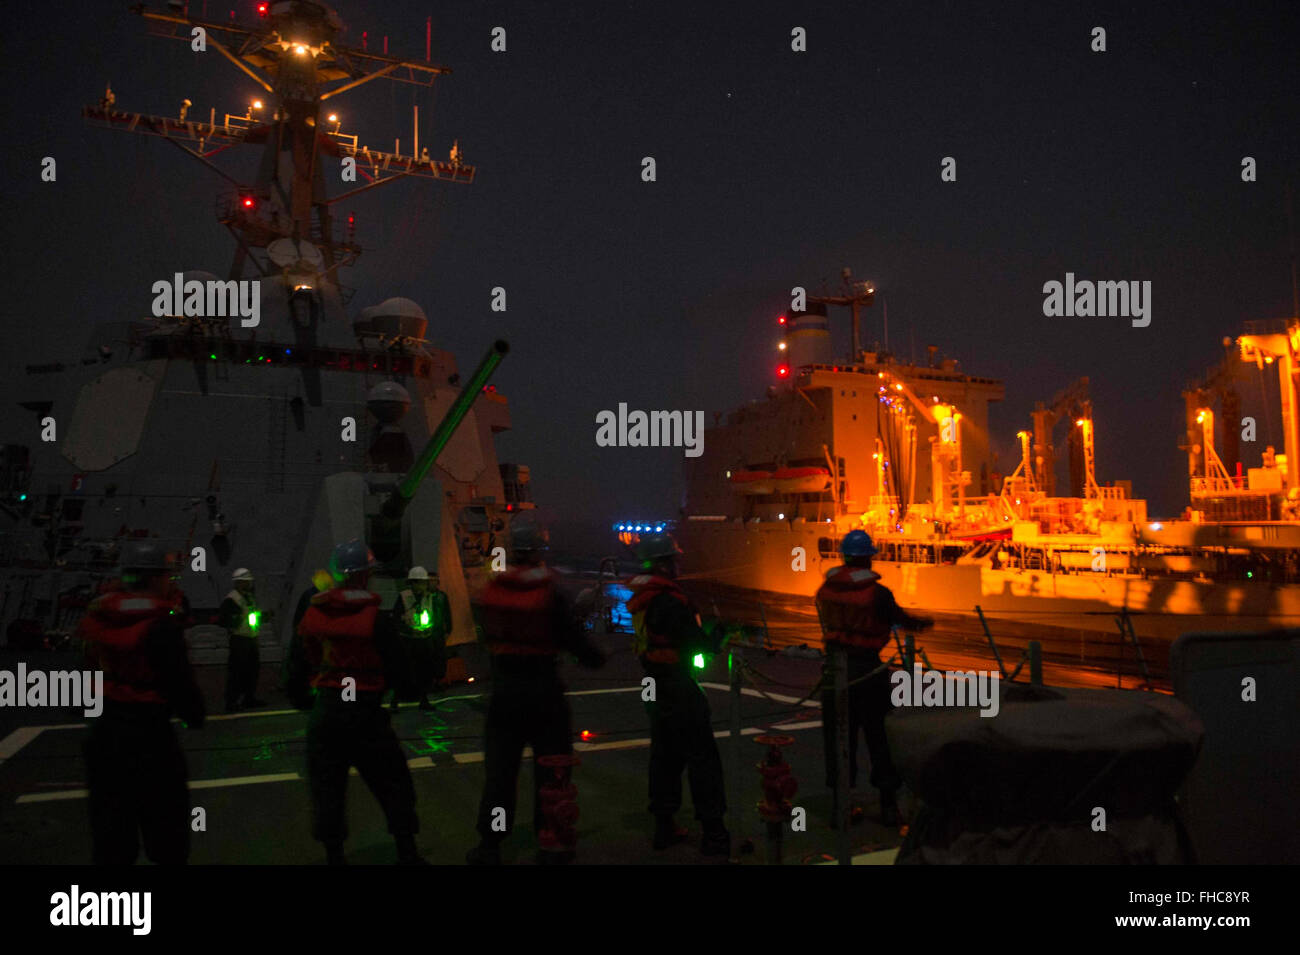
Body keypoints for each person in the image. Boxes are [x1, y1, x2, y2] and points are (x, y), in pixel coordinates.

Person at [466, 522, 604, 865]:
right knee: (552, 772)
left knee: (500, 774)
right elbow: (575, 642)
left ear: (511, 551)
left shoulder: (492, 591)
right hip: (543, 693)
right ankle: (551, 840)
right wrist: (595, 658)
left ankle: (491, 844)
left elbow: (487, 636)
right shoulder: (550, 593)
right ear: (539, 551)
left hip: (504, 694)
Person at [286, 539, 425, 865]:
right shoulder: (375, 619)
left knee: (327, 791)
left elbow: (296, 666)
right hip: (366, 715)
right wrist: (404, 692)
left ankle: (335, 857)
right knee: (394, 785)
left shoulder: (314, 611)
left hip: (328, 712)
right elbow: (400, 671)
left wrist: (307, 699)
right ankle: (407, 853)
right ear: (367, 575)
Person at [78, 539, 205, 864]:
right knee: (167, 836)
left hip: (104, 735)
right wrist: (195, 716)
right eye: (166, 576)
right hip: (150, 738)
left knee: (111, 838)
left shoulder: (98, 619)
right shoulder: (160, 627)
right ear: (153, 578)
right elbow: (181, 686)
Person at [815, 529, 932, 827]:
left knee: (839, 740)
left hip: (834, 672)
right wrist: (925, 624)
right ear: (868, 557)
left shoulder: (825, 589)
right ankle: (889, 806)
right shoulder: (878, 593)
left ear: (844, 555)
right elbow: (901, 620)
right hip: (868, 671)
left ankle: (841, 807)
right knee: (881, 739)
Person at [627, 533, 729, 856]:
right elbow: (698, 645)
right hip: (679, 687)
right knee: (702, 759)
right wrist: (720, 635)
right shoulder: (671, 603)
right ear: (664, 564)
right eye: (673, 560)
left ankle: (664, 826)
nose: (677, 565)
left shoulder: (643, 599)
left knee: (664, 757)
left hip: (653, 687)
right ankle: (713, 833)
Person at [389, 566, 452, 711]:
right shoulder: (404, 597)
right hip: (408, 640)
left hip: (425, 640)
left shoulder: (430, 597)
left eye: (423, 583)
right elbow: (396, 619)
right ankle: (395, 701)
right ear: (411, 583)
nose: (421, 586)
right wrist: (406, 629)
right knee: (404, 671)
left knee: (425, 671)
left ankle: (424, 700)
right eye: (418, 583)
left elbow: (437, 617)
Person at [219, 567, 265, 712]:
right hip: (239, 639)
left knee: (252, 670)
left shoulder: (248, 597)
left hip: (250, 638)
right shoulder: (232, 599)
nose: (249, 584)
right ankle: (231, 702)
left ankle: (248, 698)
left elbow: (252, 615)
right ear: (239, 582)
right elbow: (225, 620)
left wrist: (263, 617)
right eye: (246, 582)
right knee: (237, 672)